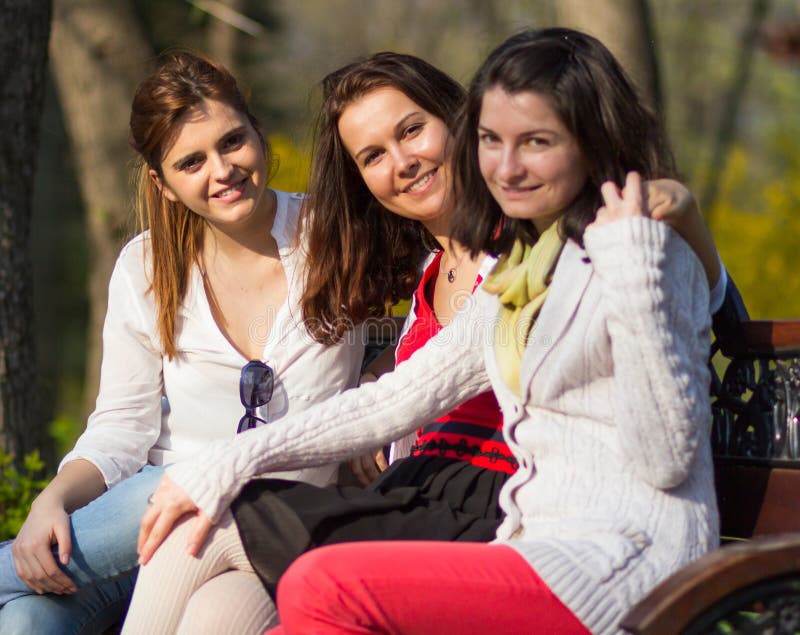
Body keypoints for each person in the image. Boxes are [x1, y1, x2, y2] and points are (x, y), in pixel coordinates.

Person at [124, 35, 724, 635]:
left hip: (614, 567)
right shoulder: (525, 273)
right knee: (228, 598)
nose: (507, 167)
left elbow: (666, 456)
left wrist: (648, 248)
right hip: (525, 541)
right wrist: (225, 462)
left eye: (535, 142)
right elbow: (399, 396)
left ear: (589, 136)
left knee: (293, 571)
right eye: (494, 142)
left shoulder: (639, 256)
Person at [0, 51, 367, 635]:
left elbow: (428, 315)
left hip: (269, 523)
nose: (222, 170)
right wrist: (54, 498)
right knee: (25, 620)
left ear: (258, 134)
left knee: (184, 496)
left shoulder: (337, 238)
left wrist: (375, 373)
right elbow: (122, 426)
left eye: (232, 141)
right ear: (162, 184)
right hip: (147, 519)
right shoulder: (145, 266)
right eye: (191, 162)